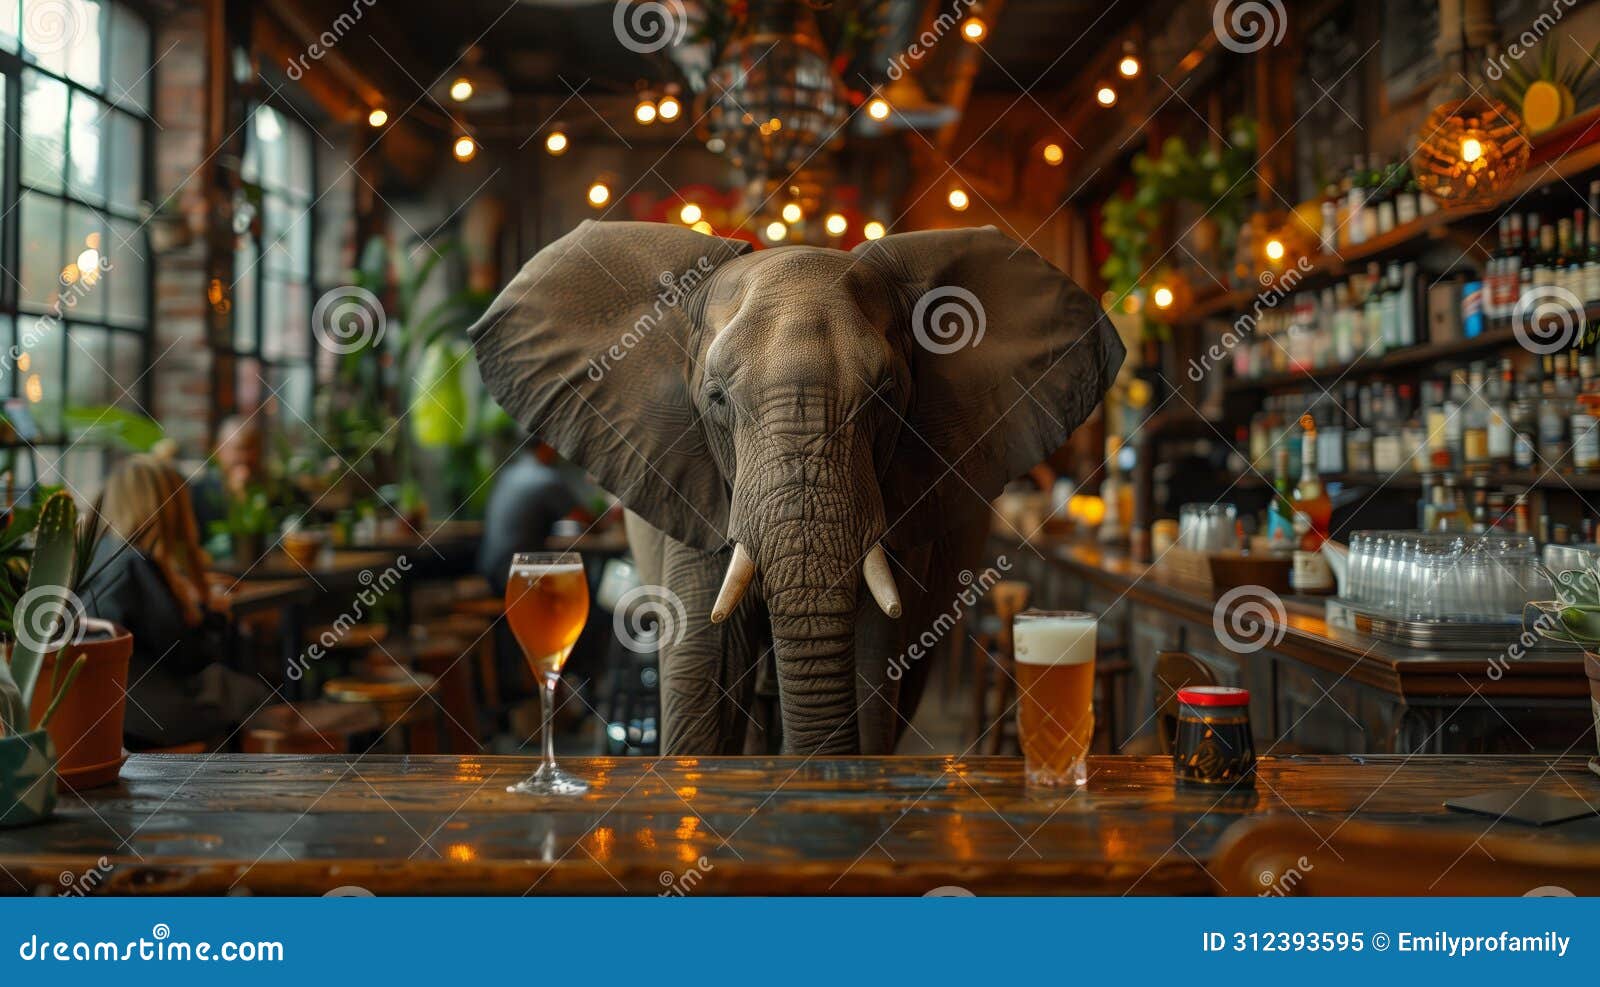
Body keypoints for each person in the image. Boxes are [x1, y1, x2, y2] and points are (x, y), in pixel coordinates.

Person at [80, 455, 268, 749]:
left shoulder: (97, 557)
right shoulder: (137, 565)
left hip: (95, 713)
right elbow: (188, 658)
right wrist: (212, 614)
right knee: (251, 695)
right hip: (145, 720)